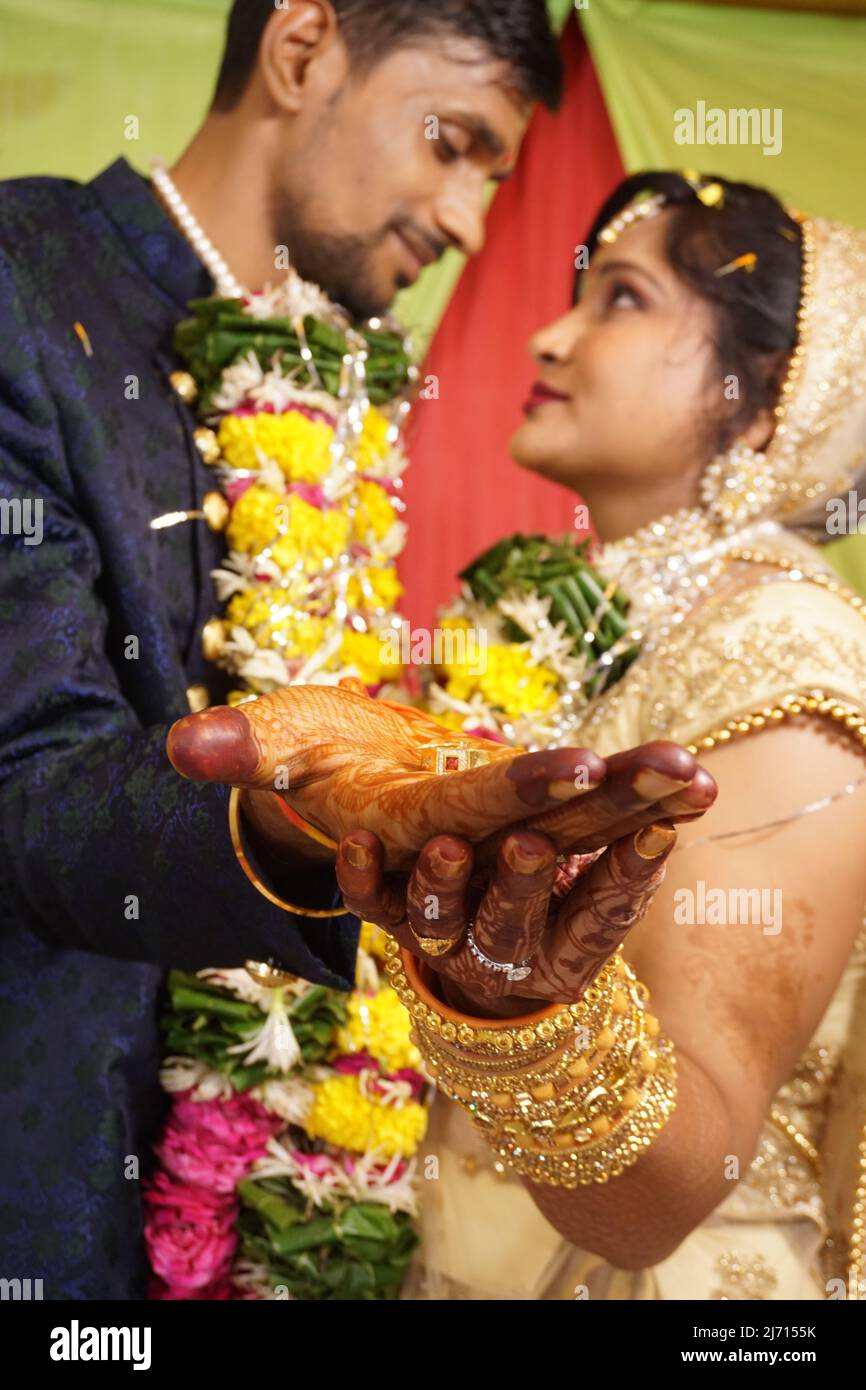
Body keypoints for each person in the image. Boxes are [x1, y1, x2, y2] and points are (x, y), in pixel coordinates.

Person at [194, 171, 866, 1300]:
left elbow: (669, 1189)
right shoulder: (567, 619)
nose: (548, 337)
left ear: (759, 401)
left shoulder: (783, 647)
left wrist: (516, 1012)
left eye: (621, 299)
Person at [0, 0, 571, 1300]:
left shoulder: (342, 374)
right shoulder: (19, 279)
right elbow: (26, 783)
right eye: (450, 139)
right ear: (302, 47)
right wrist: (323, 826)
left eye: (492, 173)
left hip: (267, 1214)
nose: (468, 218)